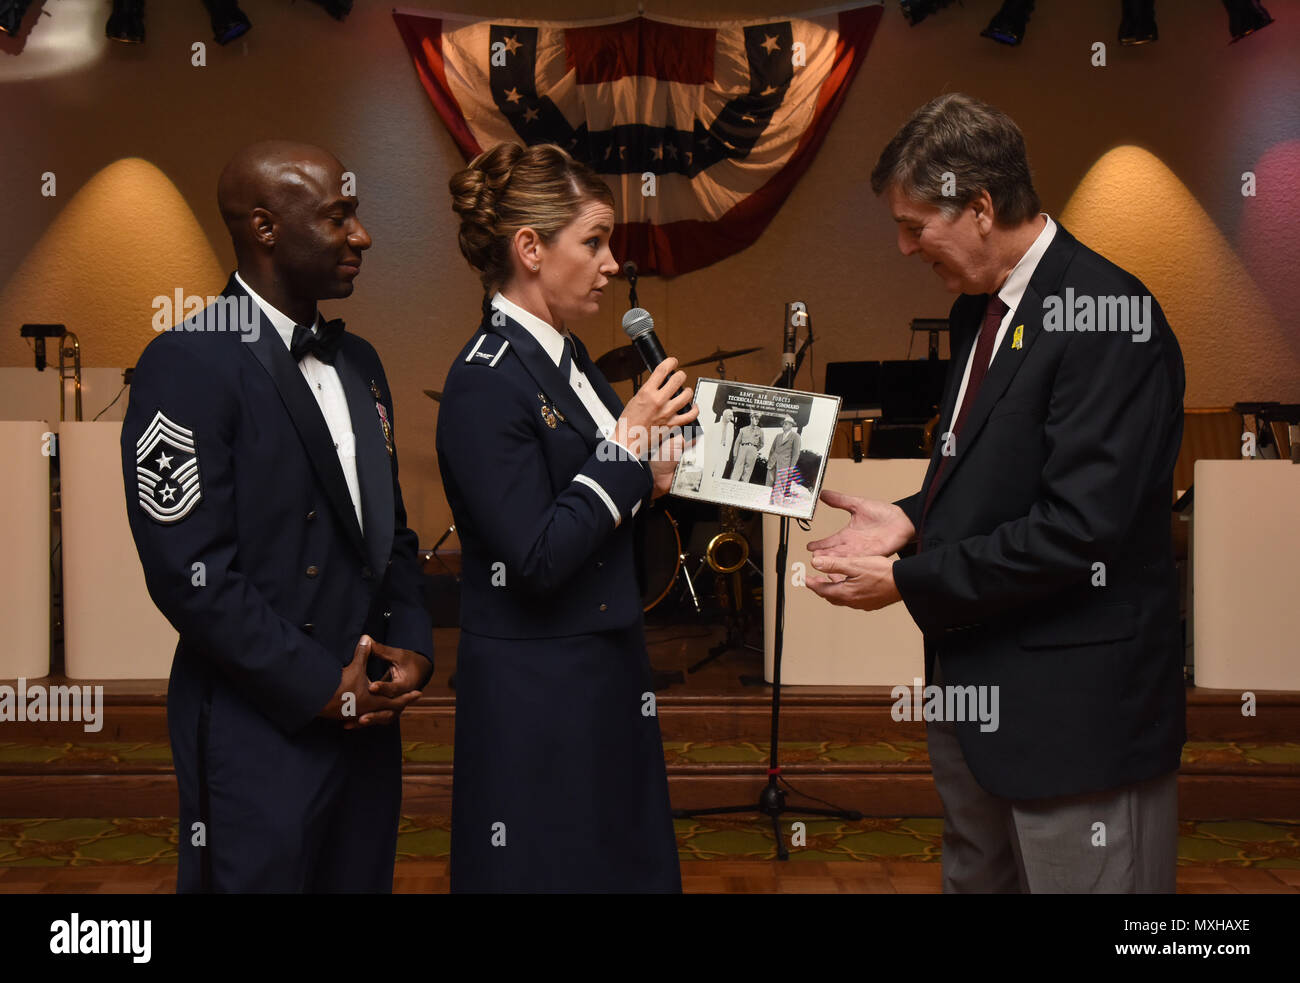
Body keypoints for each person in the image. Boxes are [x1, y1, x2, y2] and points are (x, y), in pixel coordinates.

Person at [806, 94, 1186, 894]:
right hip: (977, 701)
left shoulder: (1110, 317)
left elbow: (1077, 530)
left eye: (915, 225)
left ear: (980, 206)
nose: (905, 247)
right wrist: (910, 519)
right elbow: (997, 480)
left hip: (1074, 721)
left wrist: (906, 579)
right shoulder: (979, 310)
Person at [120, 141, 432, 892]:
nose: (361, 236)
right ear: (264, 228)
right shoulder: (186, 361)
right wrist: (322, 685)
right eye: (338, 217)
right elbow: (189, 575)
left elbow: (391, 533)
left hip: (368, 725)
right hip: (258, 725)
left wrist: (411, 645)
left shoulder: (361, 361)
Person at [437, 142, 699, 892]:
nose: (613, 262)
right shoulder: (483, 381)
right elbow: (538, 555)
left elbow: (606, 497)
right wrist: (626, 449)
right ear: (530, 248)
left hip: (604, 665)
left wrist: (652, 479)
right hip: (536, 688)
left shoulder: (572, 355)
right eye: (594, 241)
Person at [764, 414, 801, 491]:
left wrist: (791, 468)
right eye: (783, 424)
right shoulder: (778, 436)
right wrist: (770, 461)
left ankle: (776, 503)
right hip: (772, 464)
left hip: (784, 466)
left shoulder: (796, 436)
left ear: (791, 425)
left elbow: (795, 454)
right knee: (767, 487)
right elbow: (772, 450)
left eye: (786, 424)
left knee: (779, 488)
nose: (783, 425)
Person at [732, 417, 765, 482]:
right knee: (738, 467)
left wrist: (755, 449)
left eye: (758, 419)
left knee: (748, 470)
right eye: (755, 418)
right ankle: (733, 483)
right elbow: (737, 442)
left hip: (753, 449)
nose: (757, 421)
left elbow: (762, 443)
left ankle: (743, 485)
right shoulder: (743, 429)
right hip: (743, 448)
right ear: (751, 419)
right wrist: (735, 454)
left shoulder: (760, 431)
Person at [712, 408, 736, 479]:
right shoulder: (716, 426)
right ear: (724, 415)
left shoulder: (731, 427)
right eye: (729, 415)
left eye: (732, 416)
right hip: (716, 449)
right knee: (712, 468)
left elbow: (730, 441)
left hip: (724, 450)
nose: (731, 418)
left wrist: (727, 456)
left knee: (720, 471)